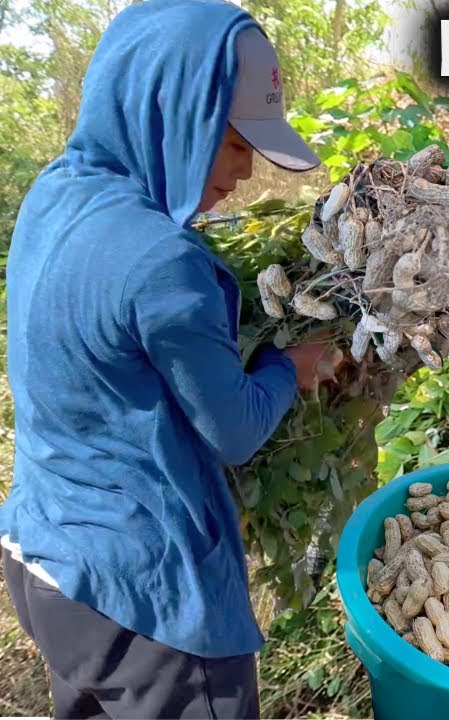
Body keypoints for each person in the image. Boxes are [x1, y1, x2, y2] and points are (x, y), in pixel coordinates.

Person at [0, 1, 334, 717]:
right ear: (176, 111)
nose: (244, 174)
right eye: (236, 144)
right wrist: (292, 368)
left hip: (48, 560)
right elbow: (236, 431)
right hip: (145, 605)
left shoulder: (55, 192)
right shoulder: (163, 260)